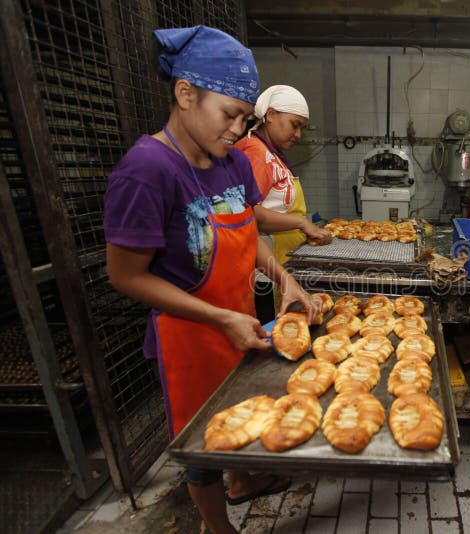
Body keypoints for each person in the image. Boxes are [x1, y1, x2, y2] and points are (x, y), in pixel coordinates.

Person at [103, 26, 318, 534]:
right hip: (190, 338)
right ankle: (218, 527)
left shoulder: (231, 164)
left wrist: (285, 280)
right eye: (229, 114)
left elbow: (249, 235)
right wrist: (218, 315)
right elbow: (125, 274)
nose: (237, 128)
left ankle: (244, 481)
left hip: (239, 320)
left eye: (245, 117)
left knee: (240, 416)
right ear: (185, 93)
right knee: (202, 447)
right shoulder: (147, 170)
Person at [235, 85, 332, 319]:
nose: (298, 135)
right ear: (270, 115)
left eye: (302, 128)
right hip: (262, 272)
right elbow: (249, 214)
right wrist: (300, 222)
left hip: (277, 262)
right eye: (294, 125)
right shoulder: (256, 153)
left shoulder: (272, 153)